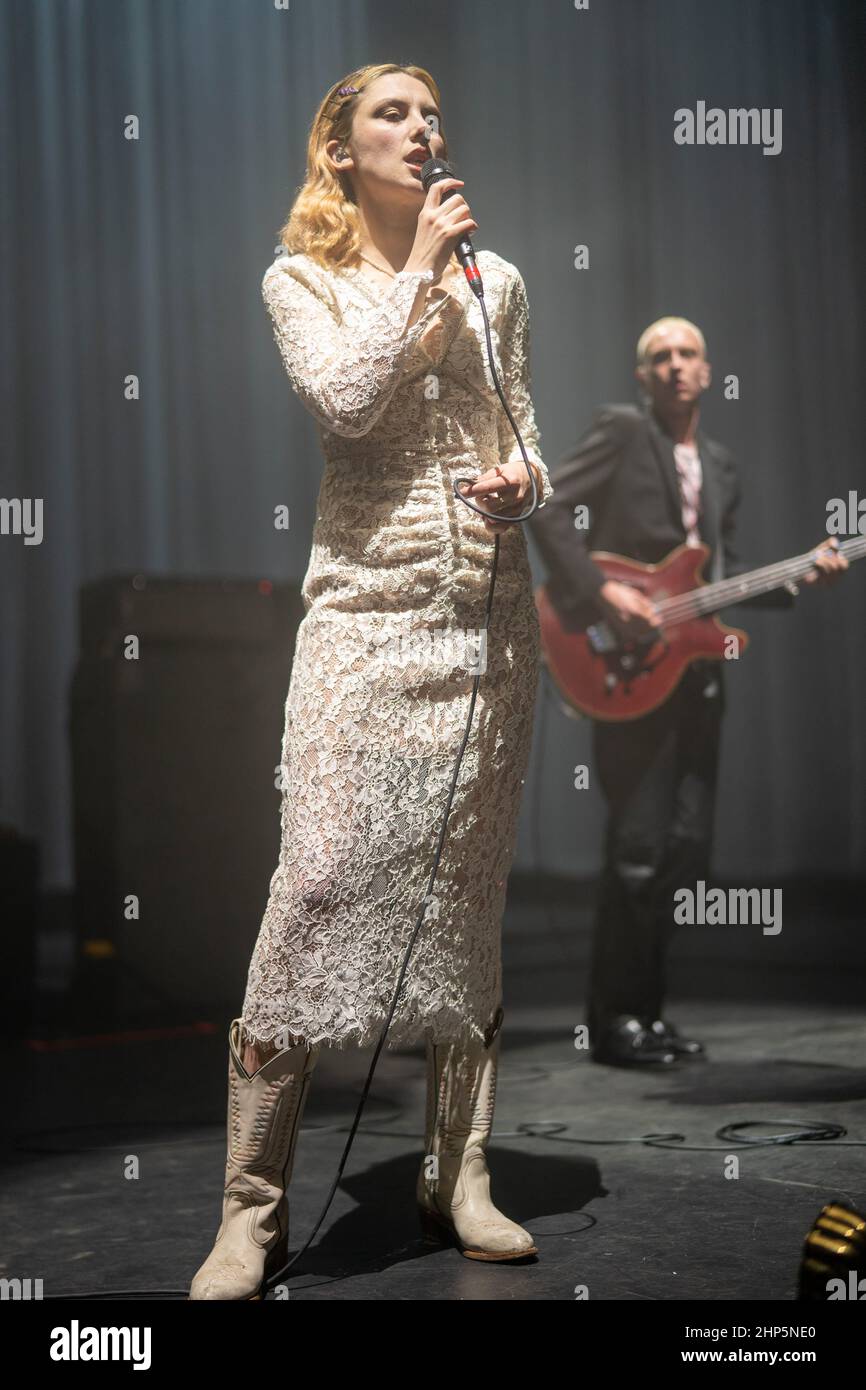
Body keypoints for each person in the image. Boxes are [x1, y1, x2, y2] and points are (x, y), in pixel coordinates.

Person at [189, 63, 552, 1299]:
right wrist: (413, 277)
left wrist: (524, 488)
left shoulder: (493, 282)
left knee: (464, 901)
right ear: (337, 151)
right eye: (391, 114)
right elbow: (346, 403)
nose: (421, 129)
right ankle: (251, 1208)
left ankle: (459, 1176)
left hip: (488, 630)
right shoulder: (302, 279)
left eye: (430, 112)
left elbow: (525, 436)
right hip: (362, 624)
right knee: (317, 886)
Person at [530, 317, 847, 1070]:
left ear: (709, 370)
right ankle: (613, 1023)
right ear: (642, 377)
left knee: (684, 853)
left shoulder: (721, 465)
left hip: (695, 677)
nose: (675, 365)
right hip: (625, 669)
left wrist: (802, 576)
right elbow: (543, 504)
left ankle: (647, 1013)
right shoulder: (620, 432)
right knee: (638, 848)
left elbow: (716, 584)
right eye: (658, 356)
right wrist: (604, 591)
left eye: (688, 353)